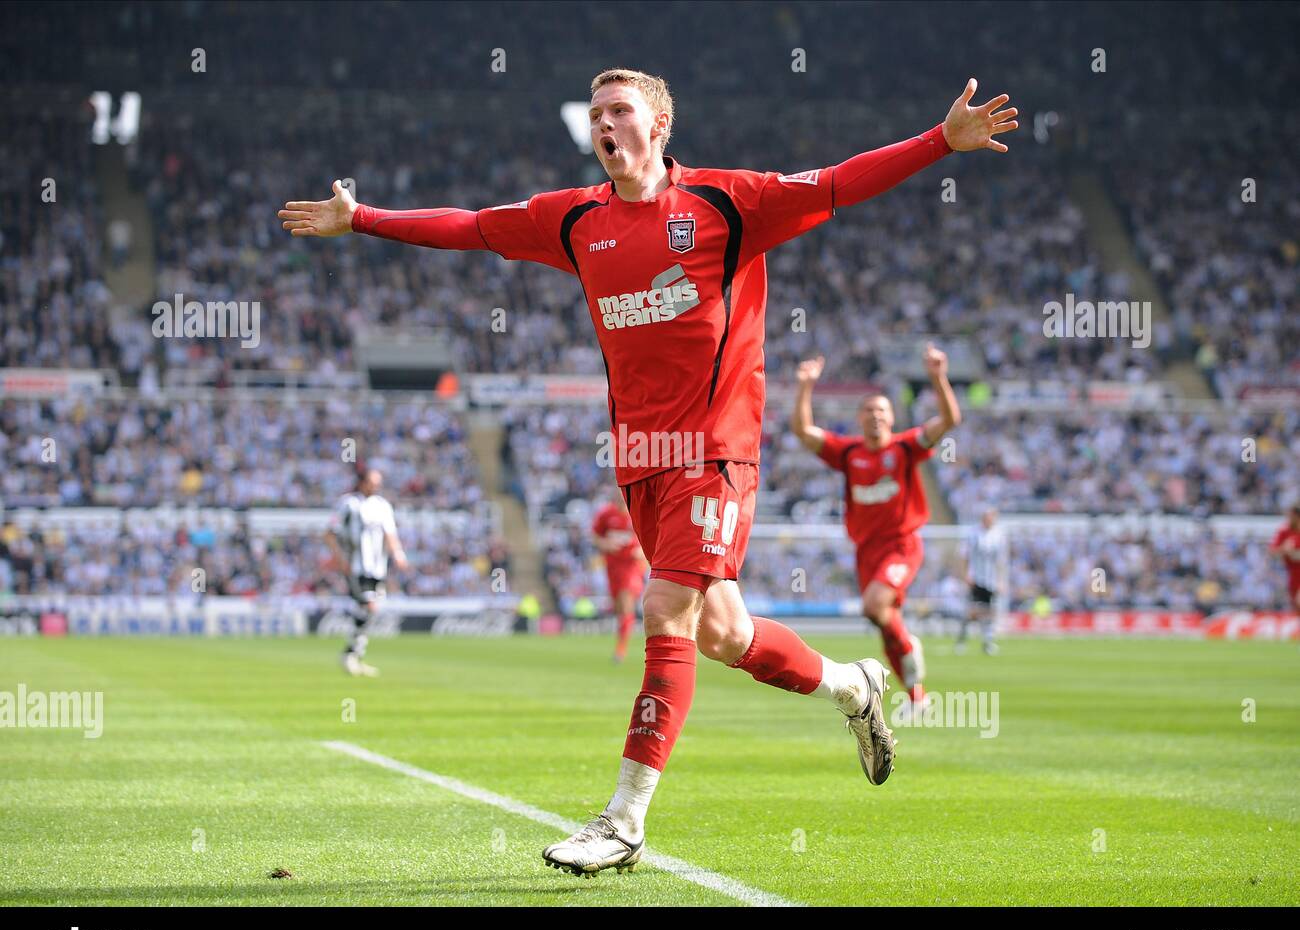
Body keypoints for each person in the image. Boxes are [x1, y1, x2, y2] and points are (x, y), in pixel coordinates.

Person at [281, 68, 1016, 875]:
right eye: (596, 114)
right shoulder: (574, 219)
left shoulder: (728, 203)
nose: (604, 124)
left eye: (620, 111)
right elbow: (470, 227)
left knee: (665, 609)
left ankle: (624, 818)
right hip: (640, 462)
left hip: (716, 448)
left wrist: (939, 141)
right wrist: (365, 219)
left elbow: (839, 183)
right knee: (724, 634)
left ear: (660, 123)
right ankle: (853, 687)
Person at [792, 345, 962, 720]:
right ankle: (918, 698)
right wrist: (805, 386)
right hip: (865, 551)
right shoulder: (849, 452)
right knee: (881, 620)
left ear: (891, 417)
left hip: (902, 546)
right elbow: (803, 431)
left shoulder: (905, 448)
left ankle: (909, 649)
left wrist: (937, 377)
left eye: (882, 410)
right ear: (859, 417)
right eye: (868, 410)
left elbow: (949, 420)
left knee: (873, 605)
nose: (875, 416)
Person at [323, 468, 409, 677]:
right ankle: (350, 654)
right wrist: (340, 558)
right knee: (368, 606)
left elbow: (390, 534)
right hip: (355, 567)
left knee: (370, 610)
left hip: (377, 569)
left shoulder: (383, 506)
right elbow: (329, 533)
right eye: (372, 481)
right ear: (362, 482)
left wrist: (398, 554)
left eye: (378, 482)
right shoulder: (348, 504)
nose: (376, 486)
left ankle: (355, 655)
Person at [591, 488, 648, 662]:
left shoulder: (638, 512)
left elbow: (652, 534)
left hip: (631, 567)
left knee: (625, 603)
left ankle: (620, 649)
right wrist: (605, 544)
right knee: (618, 606)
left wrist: (642, 551)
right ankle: (623, 636)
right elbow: (595, 536)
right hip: (612, 566)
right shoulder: (606, 514)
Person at [956, 507, 1007, 655]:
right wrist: (966, 575)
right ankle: (962, 640)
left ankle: (988, 642)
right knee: (972, 611)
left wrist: (1000, 580)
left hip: (991, 580)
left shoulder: (998, 535)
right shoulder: (973, 534)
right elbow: (964, 555)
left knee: (990, 611)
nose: (990, 519)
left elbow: (1000, 561)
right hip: (976, 578)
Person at [1269, 505, 1300, 615]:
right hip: (1293, 574)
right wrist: (1285, 549)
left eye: (1291, 516)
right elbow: (1272, 552)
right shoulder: (1284, 531)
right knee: (1296, 607)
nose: (1288, 518)